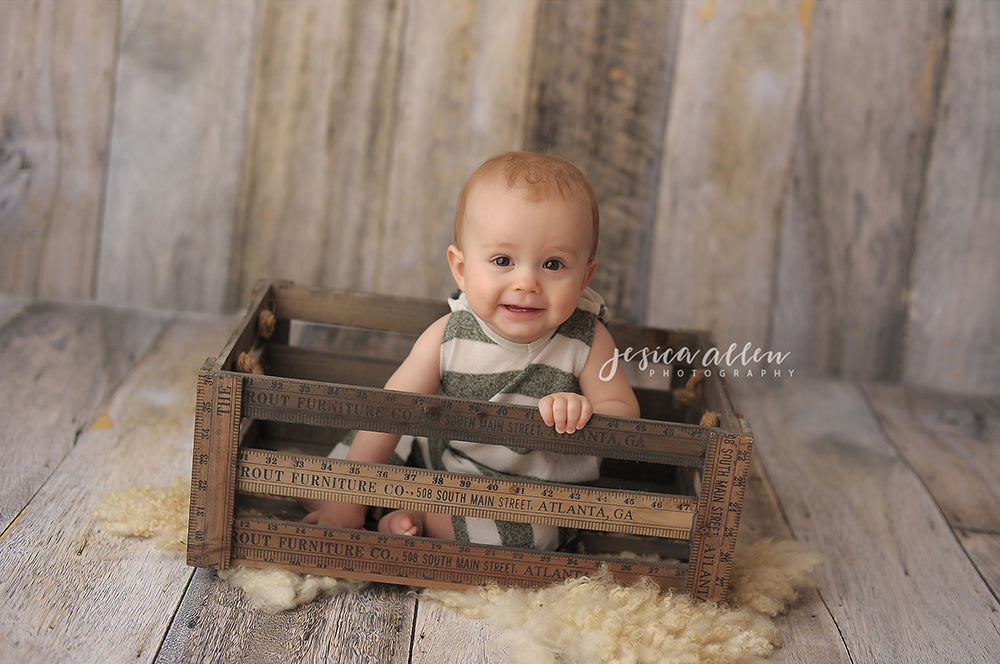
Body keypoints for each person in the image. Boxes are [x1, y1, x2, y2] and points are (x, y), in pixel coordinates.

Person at [301, 151, 640, 550]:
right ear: (461, 268)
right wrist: (349, 499)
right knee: (369, 445)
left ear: (585, 276)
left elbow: (625, 412)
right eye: (502, 260)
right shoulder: (448, 336)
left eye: (553, 265)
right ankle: (365, 504)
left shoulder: (588, 339)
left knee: (534, 537)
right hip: (444, 466)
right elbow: (390, 410)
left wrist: (583, 408)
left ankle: (414, 518)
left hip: (536, 497)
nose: (526, 281)